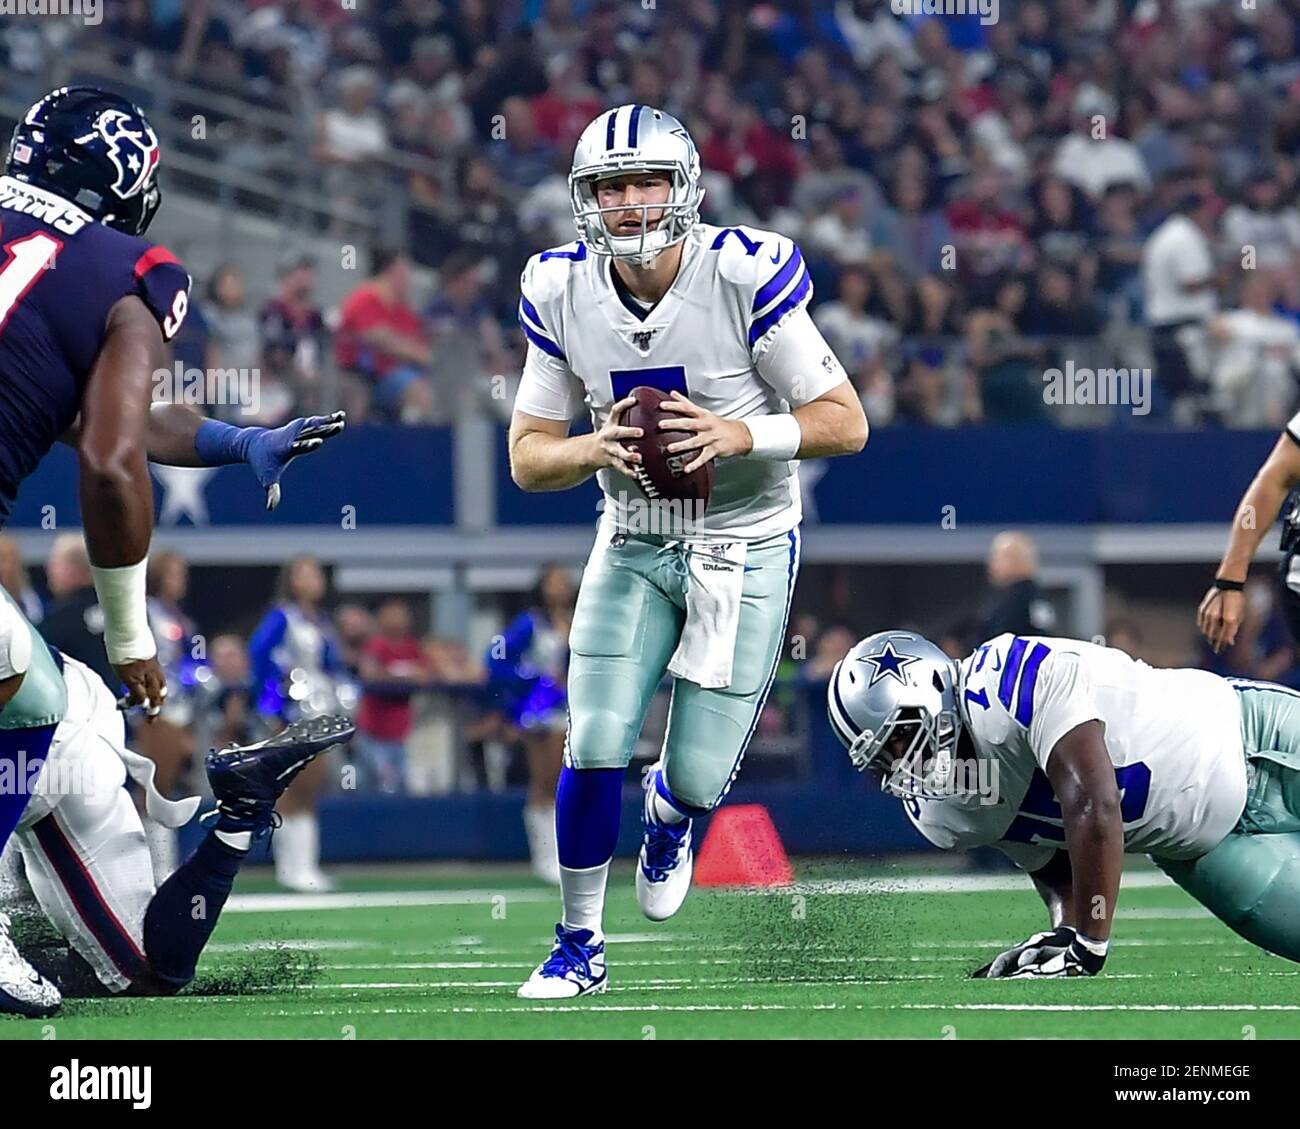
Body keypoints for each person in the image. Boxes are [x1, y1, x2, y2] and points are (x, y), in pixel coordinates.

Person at [508, 105, 867, 997]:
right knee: (590, 741)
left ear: (686, 188)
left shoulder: (744, 273)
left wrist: (737, 436)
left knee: (702, 776)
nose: (629, 204)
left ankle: (671, 812)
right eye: (609, 187)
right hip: (632, 538)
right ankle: (578, 942)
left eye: (647, 182)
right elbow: (526, 455)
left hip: (743, 544)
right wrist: (593, 448)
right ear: (585, 199)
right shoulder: (559, 288)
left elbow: (846, 423)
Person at [827, 630, 1300, 977]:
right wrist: (1065, 928)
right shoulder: (942, 813)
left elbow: (1095, 802)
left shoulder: (1007, 680)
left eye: (903, 740)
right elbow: (1047, 857)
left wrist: (1089, 942)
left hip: (1250, 735)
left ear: (930, 689)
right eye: (884, 760)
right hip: (1203, 849)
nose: (904, 766)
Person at [0, 644, 352, 1016]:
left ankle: (239, 817)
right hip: (77, 688)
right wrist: (130, 638)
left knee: (143, 972)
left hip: (36, 744)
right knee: (46, 932)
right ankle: (241, 812)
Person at [248, 556, 354, 892]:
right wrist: (273, 706)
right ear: (291, 581)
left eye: (317, 574)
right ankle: (290, 867)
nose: (313, 580)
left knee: (312, 785)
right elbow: (258, 656)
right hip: (291, 710)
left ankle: (307, 864)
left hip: (319, 709)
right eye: (305, 574)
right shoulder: (282, 617)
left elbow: (331, 665)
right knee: (292, 785)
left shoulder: (321, 621)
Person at [484, 565, 575, 884]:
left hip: (570, 705)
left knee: (566, 780)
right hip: (540, 705)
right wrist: (533, 681)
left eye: (563, 580)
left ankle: (563, 854)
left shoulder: (578, 620)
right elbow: (496, 661)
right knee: (544, 779)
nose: (559, 587)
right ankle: (545, 857)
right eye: (552, 581)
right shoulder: (530, 623)